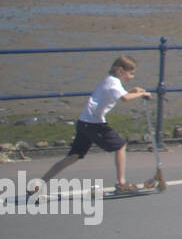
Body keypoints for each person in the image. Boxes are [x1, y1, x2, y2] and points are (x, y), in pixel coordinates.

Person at [29, 56, 152, 196]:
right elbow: (124, 98)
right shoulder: (113, 83)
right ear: (120, 71)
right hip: (94, 124)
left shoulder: (111, 81)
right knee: (120, 146)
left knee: (73, 157)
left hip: (84, 123)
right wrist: (143, 94)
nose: (132, 77)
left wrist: (134, 91)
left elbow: (121, 95)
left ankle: (38, 185)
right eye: (130, 73)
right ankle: (121, 183)